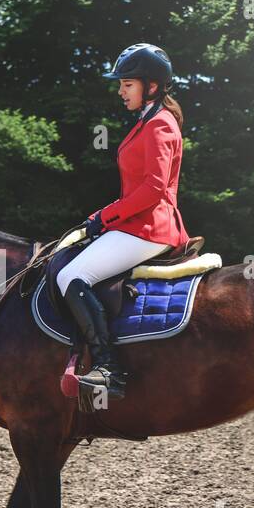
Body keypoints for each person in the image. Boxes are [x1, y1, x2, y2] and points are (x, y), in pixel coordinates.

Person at [58, 42, 190, 400]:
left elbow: (154, 190)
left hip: (152, 227)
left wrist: (108, 216)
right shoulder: (145, 121)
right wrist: (98, 217)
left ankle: (108, 368)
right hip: (135, 223)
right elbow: (136, 188)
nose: (120, 91)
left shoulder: (160, 124)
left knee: (72, 275)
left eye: (127, 84)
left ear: (151, 85)